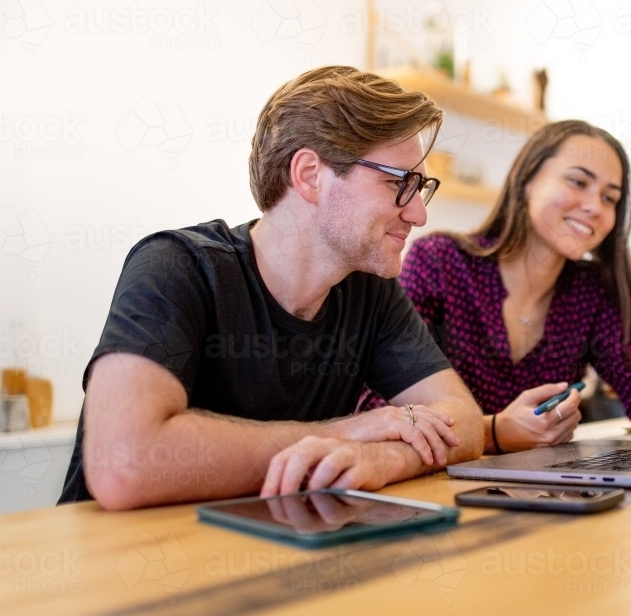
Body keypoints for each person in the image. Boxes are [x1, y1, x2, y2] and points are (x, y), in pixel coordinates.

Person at [58, 66, 484, 510]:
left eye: (420, 188)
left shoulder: (369, 292)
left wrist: (385, 458)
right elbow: (123, 464)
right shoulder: (176, 267)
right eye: (398, 183)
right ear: (310, 175)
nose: (419, 214)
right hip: (117, 566)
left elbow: (465, 421)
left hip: (259, 557)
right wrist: (344, 432)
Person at [386, 120, 631, 454]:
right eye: (578, 181)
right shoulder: (440, 261)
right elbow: (385, 404)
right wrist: (493, 433)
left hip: (542, 490)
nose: (594, 206)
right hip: (435, 482)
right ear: (525, 179)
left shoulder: (592, 290)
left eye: (609, 198)